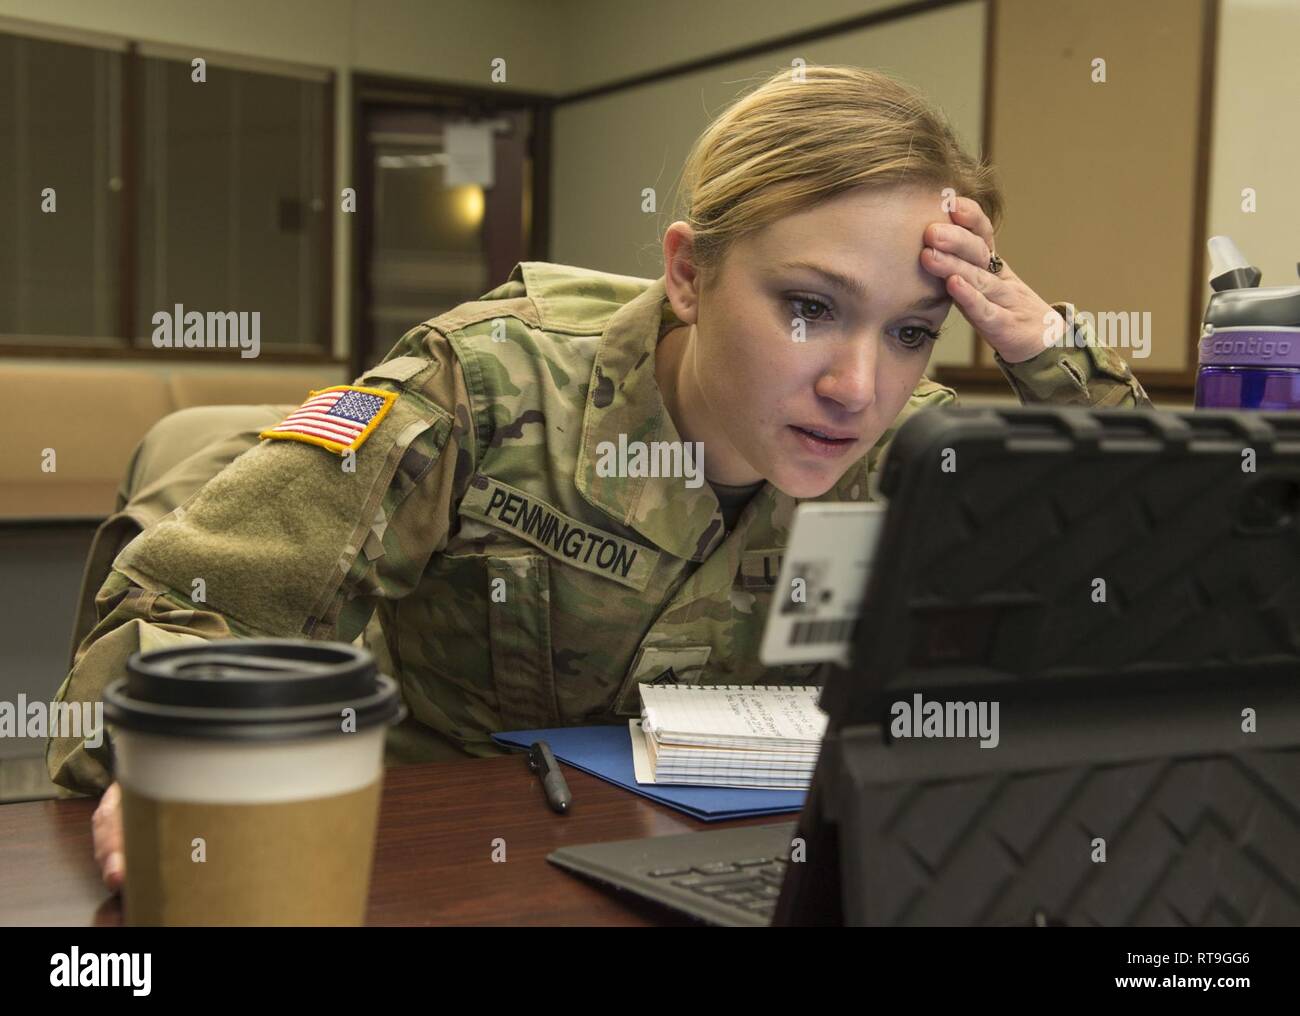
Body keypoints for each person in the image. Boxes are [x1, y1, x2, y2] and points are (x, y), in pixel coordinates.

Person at [53, 65, 1151, 891]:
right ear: (688, 273)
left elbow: (1156, 569)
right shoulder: (482, 383)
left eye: (912, 331)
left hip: (722, 871)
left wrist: (1049, 350)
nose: (856, 386)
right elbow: (182, 603)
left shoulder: (913, 450)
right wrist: (178, 761)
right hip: (438, 866)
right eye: (809, 308)